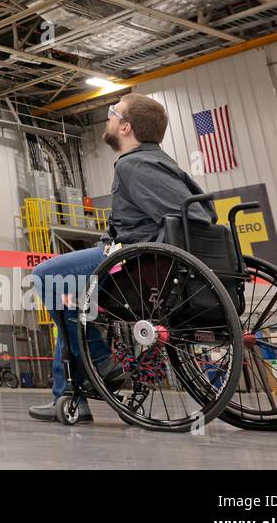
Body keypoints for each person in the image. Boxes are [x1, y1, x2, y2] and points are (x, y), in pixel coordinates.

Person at [27, 93, 216, 423]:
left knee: (48, 275)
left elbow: (194, 219)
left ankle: (99, 360)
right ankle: (70, 398)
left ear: (126, 127)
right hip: (134, 255)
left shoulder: (135, 165)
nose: (108, 119)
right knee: (69, 303)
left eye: (113, 114)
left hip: (136, 260)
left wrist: (143, 252)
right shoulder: (164, 164)